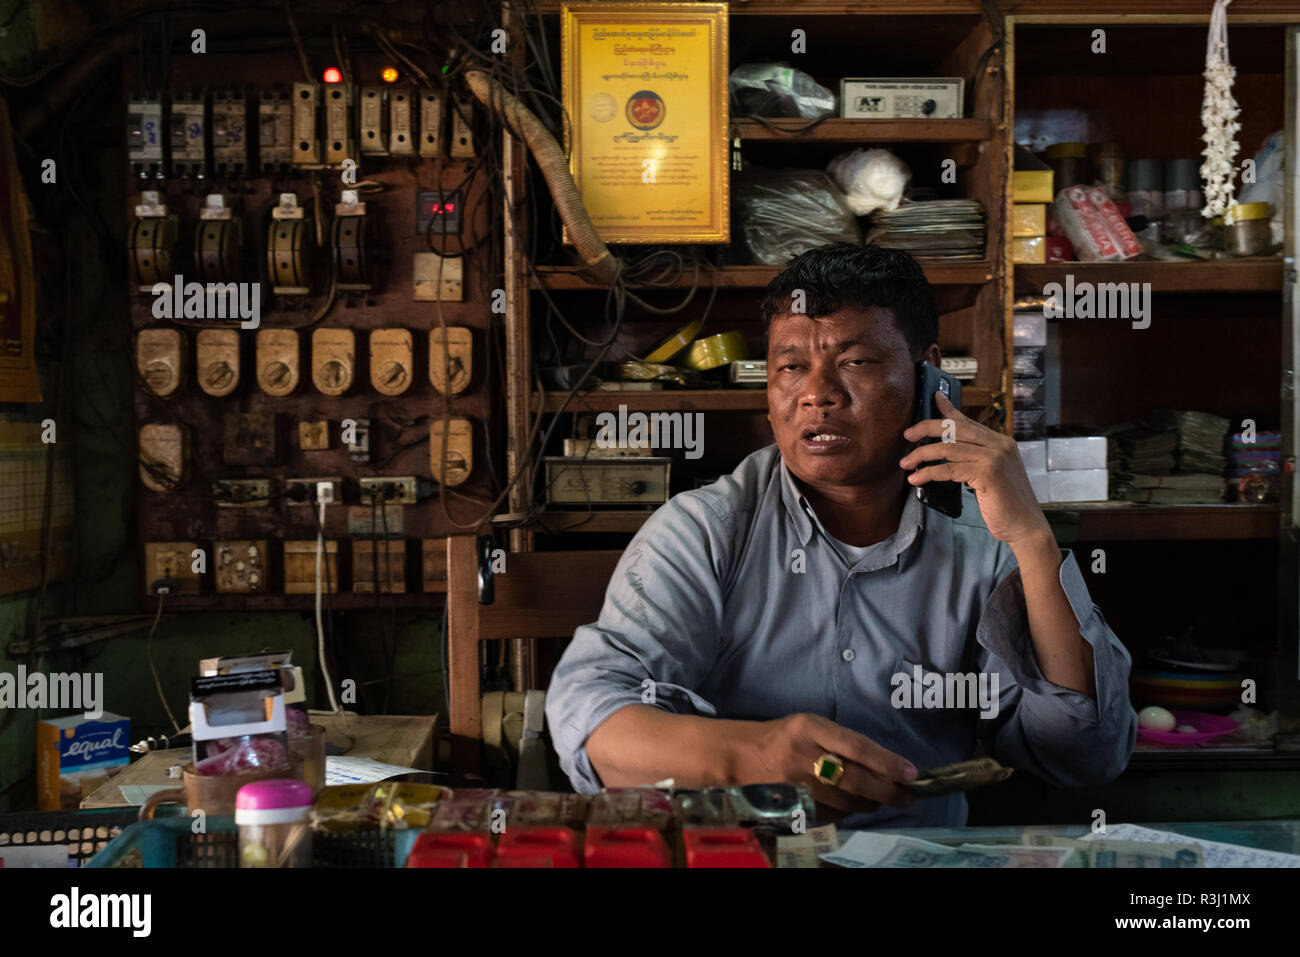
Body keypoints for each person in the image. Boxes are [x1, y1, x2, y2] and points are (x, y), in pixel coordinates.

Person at [546, 243, 1136, 826]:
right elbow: (593, 719)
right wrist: (757, 754)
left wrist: (1032, 538)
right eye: (791, 366)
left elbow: (1082, 754)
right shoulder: (705, 530)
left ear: (929, 373)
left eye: (855, 362)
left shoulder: (984, 539)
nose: (816, 393)